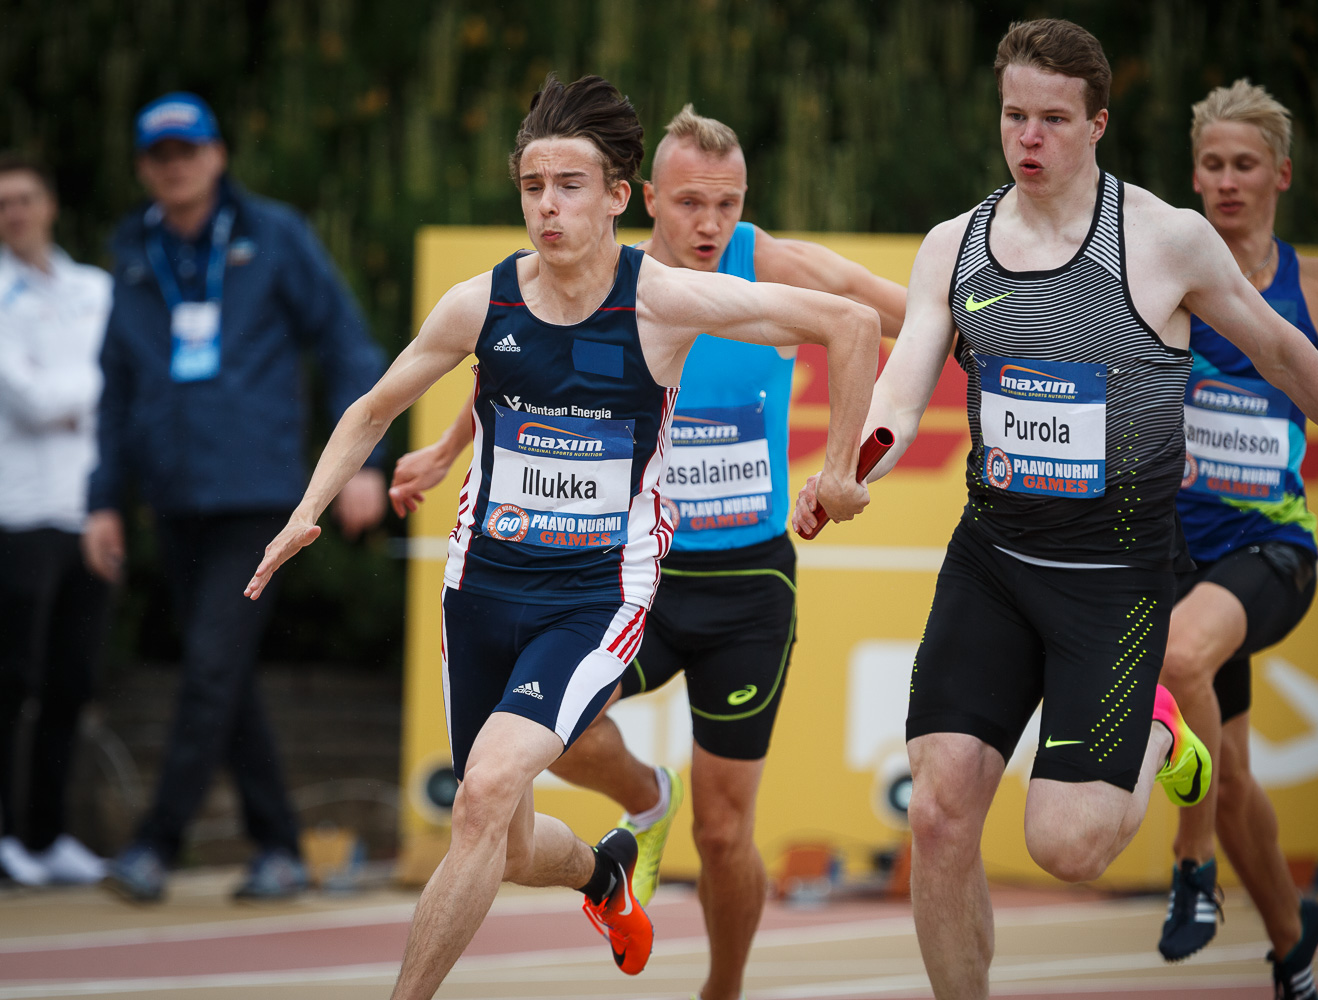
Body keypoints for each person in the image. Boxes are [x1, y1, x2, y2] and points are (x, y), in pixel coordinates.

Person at [244, 75, 878, 1000]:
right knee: (494, 832)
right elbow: (373, 407)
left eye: (570, 185)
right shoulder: (482, 304)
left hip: (592, 598)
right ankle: (602, 872)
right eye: (533, 186)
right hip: (483, 593)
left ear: (619, 197)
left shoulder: (664, 300)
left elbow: (853, 322)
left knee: (488, 789)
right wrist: (306, 513)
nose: (548, 205)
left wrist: (838, 469)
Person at [792, 19, 1318, 1000]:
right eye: (1013, 116)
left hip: (1113, 579)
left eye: (1052, 120)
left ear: (1096, 124)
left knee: (1065, 846)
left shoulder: (1163, 240)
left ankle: (1166, 734)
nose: (1027, 138)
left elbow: (1285, 353)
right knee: (939, 810)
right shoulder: (956, 245)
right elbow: (902, 391)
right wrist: (856, 466)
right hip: (991, 561)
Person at [86, 92, 389, 903]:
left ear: (217, 155)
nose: (174, 166)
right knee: (224, 677)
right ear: (144, 167)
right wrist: (103, 499)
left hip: (261, 495)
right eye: (159, 155)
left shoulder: (274, 234)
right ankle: (281, 849)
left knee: (213, 666)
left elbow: (346, 342)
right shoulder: (131, 249)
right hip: (172, 498)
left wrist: (365, 461)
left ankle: (156, 844)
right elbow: (113, 387)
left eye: (188, 151)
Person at [1155, 79, 1318, 996]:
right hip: (1176, 555)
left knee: (1178, 661)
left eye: (1244, 164)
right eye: (1210, 165)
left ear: (1280, 174)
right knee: (1238, 773)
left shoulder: (1317, 286)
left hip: (1272, 549)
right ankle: (1294, 949)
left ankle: (1191, 869)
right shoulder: (1166, 273)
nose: (1225, 181)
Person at [0, 153, 111, 887]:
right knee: (12, 683)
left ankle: (47, 835)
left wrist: (70, 389)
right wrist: (88, 389)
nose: (14, 212)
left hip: (89, 513)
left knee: (73, 680)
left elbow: (120, 377)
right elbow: (31, 401)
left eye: (25, 198)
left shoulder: (93, 287)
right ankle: (7, 835)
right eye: (2, 203)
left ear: (51, 205)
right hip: (17, 511)